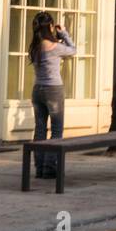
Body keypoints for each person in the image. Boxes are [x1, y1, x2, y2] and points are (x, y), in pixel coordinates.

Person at [29, 12, 75, 179]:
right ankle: (49, 167)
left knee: (40, 129)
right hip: (53, 90)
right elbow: (73, 50)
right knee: (56, 129)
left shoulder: (34, 47)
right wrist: (63, 33)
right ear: (50, 27)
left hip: (37, 90)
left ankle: (39, 167)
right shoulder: (55, 48)